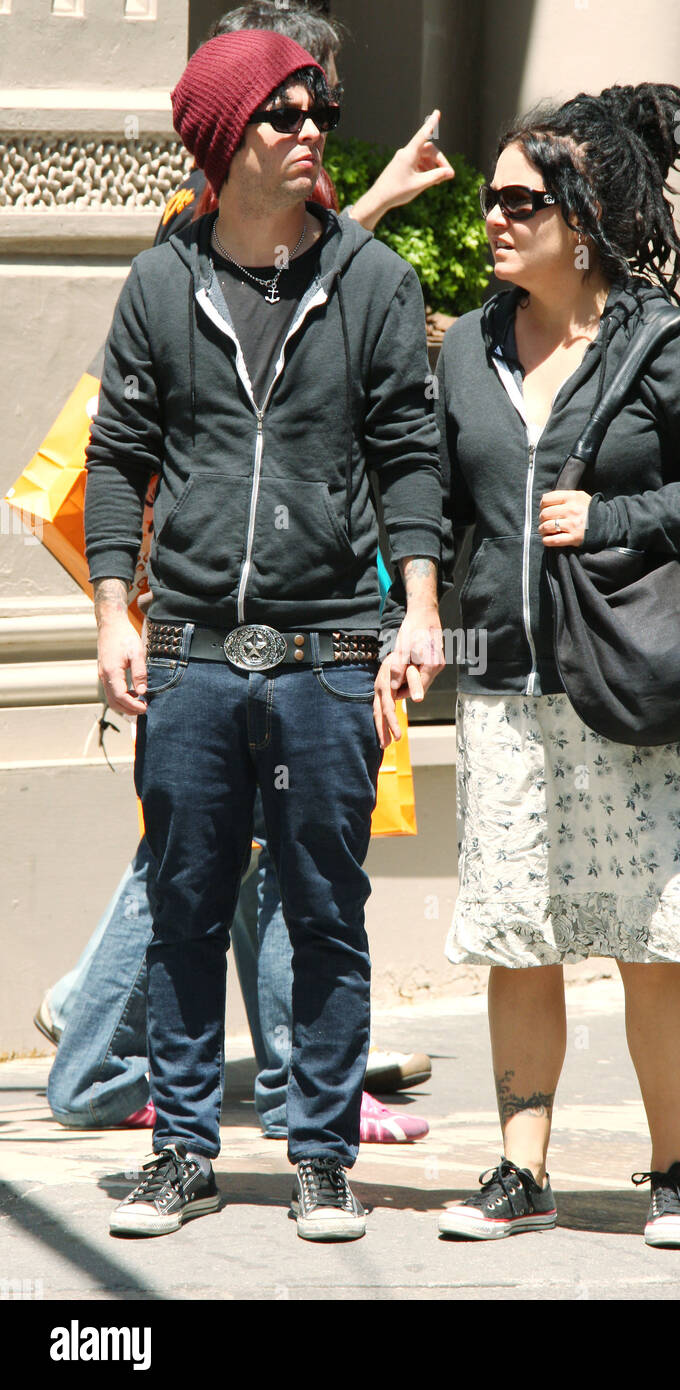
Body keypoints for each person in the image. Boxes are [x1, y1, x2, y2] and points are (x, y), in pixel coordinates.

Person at [42, 0, 445, 1147]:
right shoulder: (164, 280)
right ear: (228, 134)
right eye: (286, 107)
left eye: (322, 104)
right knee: (185, 885)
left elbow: (406, 451)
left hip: (325, 644)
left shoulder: (370, 280)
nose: (313, 124)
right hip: (192, 647)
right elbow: (119, 456)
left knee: (314, 895)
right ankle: (164, 1120)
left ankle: (313, 1135)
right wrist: (116, 612)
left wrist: (415, 608)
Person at [422, 84, 680, 1246]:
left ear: (583, 216)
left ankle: (671, 1174)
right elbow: (426, 496)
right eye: (488, 198)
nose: (493, 218)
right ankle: (519, 1169)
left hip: (632, 688)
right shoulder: (466, 350)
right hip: (508, 686)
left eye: (520, 200)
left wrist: (614, 518)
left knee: (650, 934)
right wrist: (412, 610)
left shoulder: (660, 343)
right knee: (517, 930)